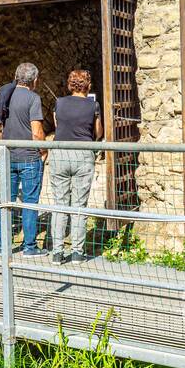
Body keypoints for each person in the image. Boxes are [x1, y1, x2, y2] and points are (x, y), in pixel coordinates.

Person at [49, 69, 103, 264]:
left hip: (60, 153)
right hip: (82, 153)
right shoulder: (93, 105)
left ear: (70, 84)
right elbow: (98, 131)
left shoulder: (59, 103)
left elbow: (57, 126)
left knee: (60, 204)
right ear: (87, 85)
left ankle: (57, 252)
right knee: (79, 205)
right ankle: (77, 252)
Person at [0, 62, 47, 256]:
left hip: (9, 154)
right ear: (34, 80)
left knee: (7, 201)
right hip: (29, 156)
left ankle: (3, 245)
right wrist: (44, 150)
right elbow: (36, 131)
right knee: (29, 202)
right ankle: (29, 246)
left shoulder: (4, 95)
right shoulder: (33, 98)